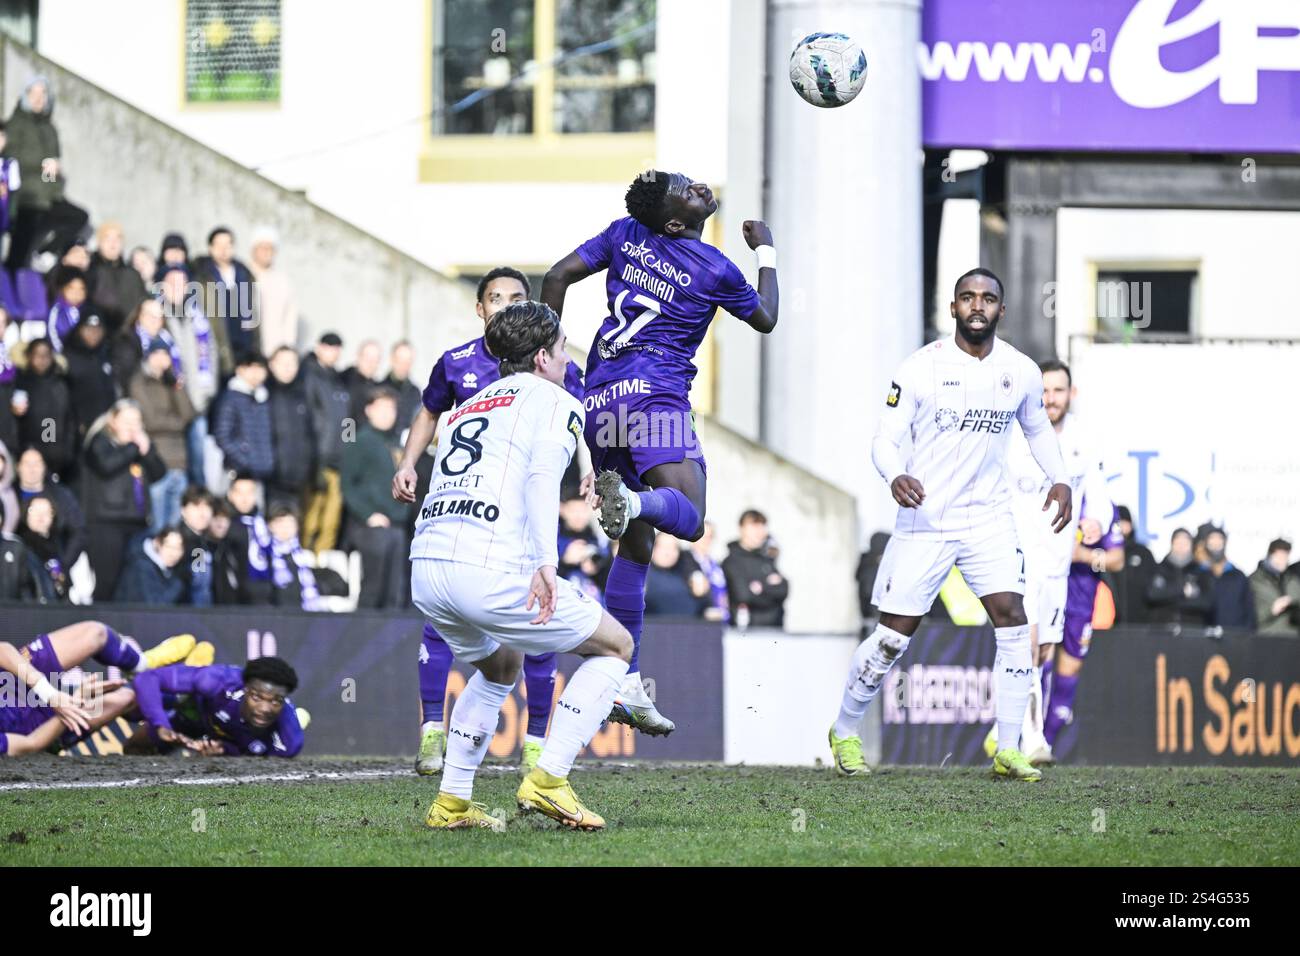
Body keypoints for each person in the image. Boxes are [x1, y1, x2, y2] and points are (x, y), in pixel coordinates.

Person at [542, 171, 779, 736]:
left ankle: (624, 681)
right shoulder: (716, 267)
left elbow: (556, 276)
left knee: (636, 548)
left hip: (601, 403)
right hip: (655, 398)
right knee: (690, 518)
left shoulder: (626, 233)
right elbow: (766, 317)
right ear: (676, 222)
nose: (697, 186)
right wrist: (765, 248)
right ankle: (633, 500)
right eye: (686, 190)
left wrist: (548, 366)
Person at [827, 268, 1072, 782]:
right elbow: (884, 440)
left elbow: (1038, 430)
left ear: (1001, 310)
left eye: (987, 298)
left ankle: (1009, 747)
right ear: (953, 308)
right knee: (894, 636)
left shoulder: (1021, 371)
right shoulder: (920, 368)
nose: (977, 305)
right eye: (967, 297)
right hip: (926, 520)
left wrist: (1060, 479)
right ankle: (845, 729)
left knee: (1012, 617)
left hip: (989, 519)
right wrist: (895, 475)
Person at [410, 300, 634, 830]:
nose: (565, 359)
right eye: (561, 349)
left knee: (501, 666)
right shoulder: (553, 399)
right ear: (540, 358)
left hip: (427, 568)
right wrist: (545, 563)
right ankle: (549, 779)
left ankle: (452, 803)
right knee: (615, 647)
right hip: (485, 570)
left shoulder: (469, 405)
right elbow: (539, 480)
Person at [392, 267, 587, 775]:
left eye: (515, 298)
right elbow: (431, 413)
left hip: (519, 515)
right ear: (479, 308)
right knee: (462, 626)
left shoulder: (550, 369)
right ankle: (433, 731)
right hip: (474, 514)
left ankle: (536, 742)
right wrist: (408, 461)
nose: (503, 305)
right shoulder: (457, 364)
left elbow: (579, 427)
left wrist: (592, 474)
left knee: (530, 632)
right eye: (494, 298)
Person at [1001, 358, 1112, 763]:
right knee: (1026, 645)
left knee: (1044, 651)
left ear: (1071, 394)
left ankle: (1006, 730)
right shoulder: (1014, 436)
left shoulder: (1084, 438)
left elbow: (1098, 491)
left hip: (1057, 563)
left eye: (1058, 391)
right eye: (1044, 391)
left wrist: (1097, 519)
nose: (1050, 399)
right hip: (1018, 556)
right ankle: (1030, 739)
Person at [0, 623, 195, 757]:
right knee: (128, 697)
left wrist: (49, 694)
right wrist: (74, 703)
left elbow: (3, 650)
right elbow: (32, 743)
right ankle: (183, 691)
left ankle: (142, 663)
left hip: (14, 679)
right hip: (35, 727)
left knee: (96, 634)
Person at [1040, 500, 1125, 755]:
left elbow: (1117, 560)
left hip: (1081, 597)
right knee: (1040, 656)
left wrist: (1084, 555)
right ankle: (1029, 737)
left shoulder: (1103, 507)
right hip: (1046, 588)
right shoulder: (1049, 494)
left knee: (1071, 666)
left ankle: (1046, 742)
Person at [126, 656, 305, 758]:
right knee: (134, 742)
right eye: (257, 697)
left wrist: (226, 750)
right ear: (245, 688)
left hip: (231, 738)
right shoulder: (217, 680)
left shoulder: (288, 740)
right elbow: (147, 678)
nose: (265, 708)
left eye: (275, 701)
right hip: (197, 714)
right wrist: (160, 724)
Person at [79, 399, 167, 601]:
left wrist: (149, 452)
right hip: (106, 524)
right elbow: (107, 466)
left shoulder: (138, 450)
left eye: (137, 421)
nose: (133, 426)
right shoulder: (99, 442)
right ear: (113, 421)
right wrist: (134, 449)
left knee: (131, 581)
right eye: (127, 420)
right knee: (107, 580)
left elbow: (159, 473)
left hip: (137, 523)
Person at [4, 76, 86, 272]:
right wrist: (42, 165)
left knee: (78, 217)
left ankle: (45, 253)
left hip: (49, 195)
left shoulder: (49, 128)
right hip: (26, 196)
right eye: (34, 93)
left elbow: (51, 165)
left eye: (43, 94)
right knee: (19, 249)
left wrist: (52, 175)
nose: (39, 98)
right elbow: (10, 158)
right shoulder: (15, 124)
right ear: (25, 96)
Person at [340, 386, 408, 609]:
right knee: (373, 589)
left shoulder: (396, 442)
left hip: (397, 525)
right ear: (369, 410)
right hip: (371, 528)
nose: (388, 413)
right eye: (382, 408)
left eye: (392, 408)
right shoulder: (359, 440)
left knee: (394, 592)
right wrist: (368, 514)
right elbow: (347, 484)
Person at [155, 266, 219, 487]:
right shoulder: (157, 316)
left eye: (182, 283)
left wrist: (206, 392)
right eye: (172, 283)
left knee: (198, 463)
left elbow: (211, 354)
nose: (177, 288)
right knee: (174, 467)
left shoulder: (198, 317)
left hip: (197, 400)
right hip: (169, 404)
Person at [129, 340, 196, 533]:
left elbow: (188, 414)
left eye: (165, 354)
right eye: (157, 354)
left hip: (180, 462)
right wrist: (177, 423)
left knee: (175, 530)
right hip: (157, 462)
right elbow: (150, 421)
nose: (161, 359)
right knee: (156, 527)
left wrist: (177, 386)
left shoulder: (172, 383)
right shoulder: (139, 382)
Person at [301, 331, 350, 552]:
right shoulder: (307, 375)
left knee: (330, 522)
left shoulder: (338, 381)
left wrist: (348, 447)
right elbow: (309, 420)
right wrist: (313, 457)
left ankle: (321, 568)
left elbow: (346, 421)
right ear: (319, 347)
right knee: (309, 518)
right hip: (316, 458)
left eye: (337, 348)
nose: (333, 352)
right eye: (329, 347)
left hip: (338, 461)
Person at [191, 226, 260, 376]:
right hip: (216, 346)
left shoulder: (244, 274)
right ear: (210, 248)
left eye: (228, 245)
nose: (223, 250)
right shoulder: (202, 276)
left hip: (244, 346)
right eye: (218, 245)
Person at [13, 446, 84, 573]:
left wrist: (64, 564)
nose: (32, 469)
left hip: (53, 563)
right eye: (27, 463)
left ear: (44, 467)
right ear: (18, 467)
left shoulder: (60, 495)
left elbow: (78, 530)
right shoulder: (10, 495)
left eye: (37, 463)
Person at [13, 337, 75, 477]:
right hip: (28, 455)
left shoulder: (61, 384)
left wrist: (67, 452)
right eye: (37, 354)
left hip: (58, 456)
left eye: (46, 354)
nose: (42, 359)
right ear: (28, 356)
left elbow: (68, 420)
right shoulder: (19, 383)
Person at [265, 345, 316, 511]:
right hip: (270, 478)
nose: (288, 368)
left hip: (299, 478)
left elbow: (345, 420)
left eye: (292, 363)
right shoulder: (263, 394)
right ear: (271, 364)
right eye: (283, 362)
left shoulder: (302, 395)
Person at [213, 352, 274, 485]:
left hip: (263, 471)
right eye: (251, 368)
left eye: (260, 368)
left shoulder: (263, 398)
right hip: (238, 471)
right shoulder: (230, 398)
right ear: (239, 370)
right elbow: (222, 436)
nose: (256, 373)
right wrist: (244, 459)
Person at [721, 509, 789, 628]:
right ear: (741, 528)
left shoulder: (767, 559)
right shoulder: (731, 562)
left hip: (776, 631)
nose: (760, 532)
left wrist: (761, 588)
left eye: (762, 526)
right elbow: (743, 595)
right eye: (754, 526)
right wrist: (769, 587)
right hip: (747, 634)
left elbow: (783, 589)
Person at [62, 314, 117, 444]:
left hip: (107, 426)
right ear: (79, 330)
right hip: (79, 429)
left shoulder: (106, 355)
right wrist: (76, 423)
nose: (94, 334)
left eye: (98, 330)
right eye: (89, 329)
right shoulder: (67, 358)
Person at [87, 221, 148, 335]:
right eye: (108, 238)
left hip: (128, 338)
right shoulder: (90, 272)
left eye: (118, 238)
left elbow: (142, 304)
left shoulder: (133, 275)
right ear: (99, 242)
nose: (113, 243)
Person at [1144, 528, 1213, 626]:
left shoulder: (1200, 571)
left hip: (1191, 631)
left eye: (1185, 543)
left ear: (1191, 545)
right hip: (1162, 631)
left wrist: (1168, 599)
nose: (1181, 547)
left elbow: (1206, 603)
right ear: (1172, 544)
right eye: (1178, 543)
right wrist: (1182, 591)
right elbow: (1152, 595)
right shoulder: (1159, 569)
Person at [247, 227, 298, 355]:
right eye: (263, 248)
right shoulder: (242, 275)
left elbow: (289, 318)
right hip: (247, 350)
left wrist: (286, 349)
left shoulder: (282, 281)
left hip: (274, 350)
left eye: (271, 248)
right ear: (254, 250)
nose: (267, 252)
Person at [1199, 526, 1255, 629]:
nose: (1215, 544)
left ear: (1224, 543)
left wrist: (1247, 634)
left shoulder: (1238, 576)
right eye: (1212, 540)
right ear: (1206, 544)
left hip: (1234, 636)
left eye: (1219, 540)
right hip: (1204, 636)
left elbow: (1249, 609)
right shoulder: (1198, 574)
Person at [114, 526, 187, 605]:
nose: (174, 553)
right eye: (169, 547)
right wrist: (178, 583)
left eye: (179, 548)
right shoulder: (142, 568)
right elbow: (154, 607)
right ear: (158, 544)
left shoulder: (169, 570)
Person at [17, 493, 70, 602]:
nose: (40, 516)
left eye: (46, 512)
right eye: (34, 511)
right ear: (25, 513)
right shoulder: (18, 547)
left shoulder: (60, 546)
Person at [1111, 504, 1157, 625]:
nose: (1120, 526)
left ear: (1130, 525)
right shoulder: (1102, 553)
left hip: (1139, 622)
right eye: (1116, 522)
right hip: (1110, 622)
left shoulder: (1143, 553)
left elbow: (1153, 587)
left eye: (1123, 522)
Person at [645, 533, 709, 617]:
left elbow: (702, 600)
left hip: (689, 626)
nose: (668, 552)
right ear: (652, 549)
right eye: (664, 547)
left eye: (674, 548)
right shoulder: (642, 577)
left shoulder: (686, 572)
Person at [680, 520, 729, 622]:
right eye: (702, 536)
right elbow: (697, 589)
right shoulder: (684, 559)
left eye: (709, 537)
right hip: (700, 620)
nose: (705, 540)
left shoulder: (715, 565)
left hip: (722, 620)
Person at [1250, 539, 1300, 636]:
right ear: (1270, 555)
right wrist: (1271, 610)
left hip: (1292, 638)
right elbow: (1248, 615)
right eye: (1280, 556)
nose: (1283, 560)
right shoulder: (1254, 581)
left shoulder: (1293, 580)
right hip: (1268, 638)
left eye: (1286, 556)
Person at [176, 486, 214, 606]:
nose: (202, 513)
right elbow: (198, 586)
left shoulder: (204, 542)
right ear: (183, 510)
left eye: (207, 507)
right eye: (196, 506)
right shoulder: (178, 540)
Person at [384, 340, 422, 433]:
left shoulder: (415, 392)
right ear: (392, 360)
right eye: (400, 360)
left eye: (408, 361)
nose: (404, 366)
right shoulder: (380, 390)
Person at [343, 339, 382, 424]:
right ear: (358, 357)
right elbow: (346, 418)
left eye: (376, 359)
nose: (371, 363)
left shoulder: (378, 388)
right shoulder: (344, 381)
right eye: (367, 358)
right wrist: (348, 437)